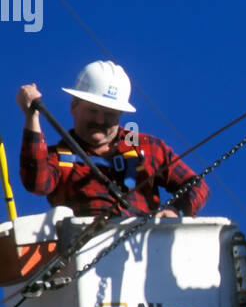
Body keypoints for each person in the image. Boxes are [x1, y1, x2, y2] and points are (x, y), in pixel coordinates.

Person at [17, 60, 209, 218]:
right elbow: (37, 182)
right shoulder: (60, 156)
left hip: (142, 251)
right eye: (93, 110)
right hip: (85, 254)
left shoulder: (145, 146)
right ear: (74, 106)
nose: (100, 120)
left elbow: (197, 186)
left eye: (109, 114)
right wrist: (32, 117)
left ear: (120, 114)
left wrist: (176, 211)